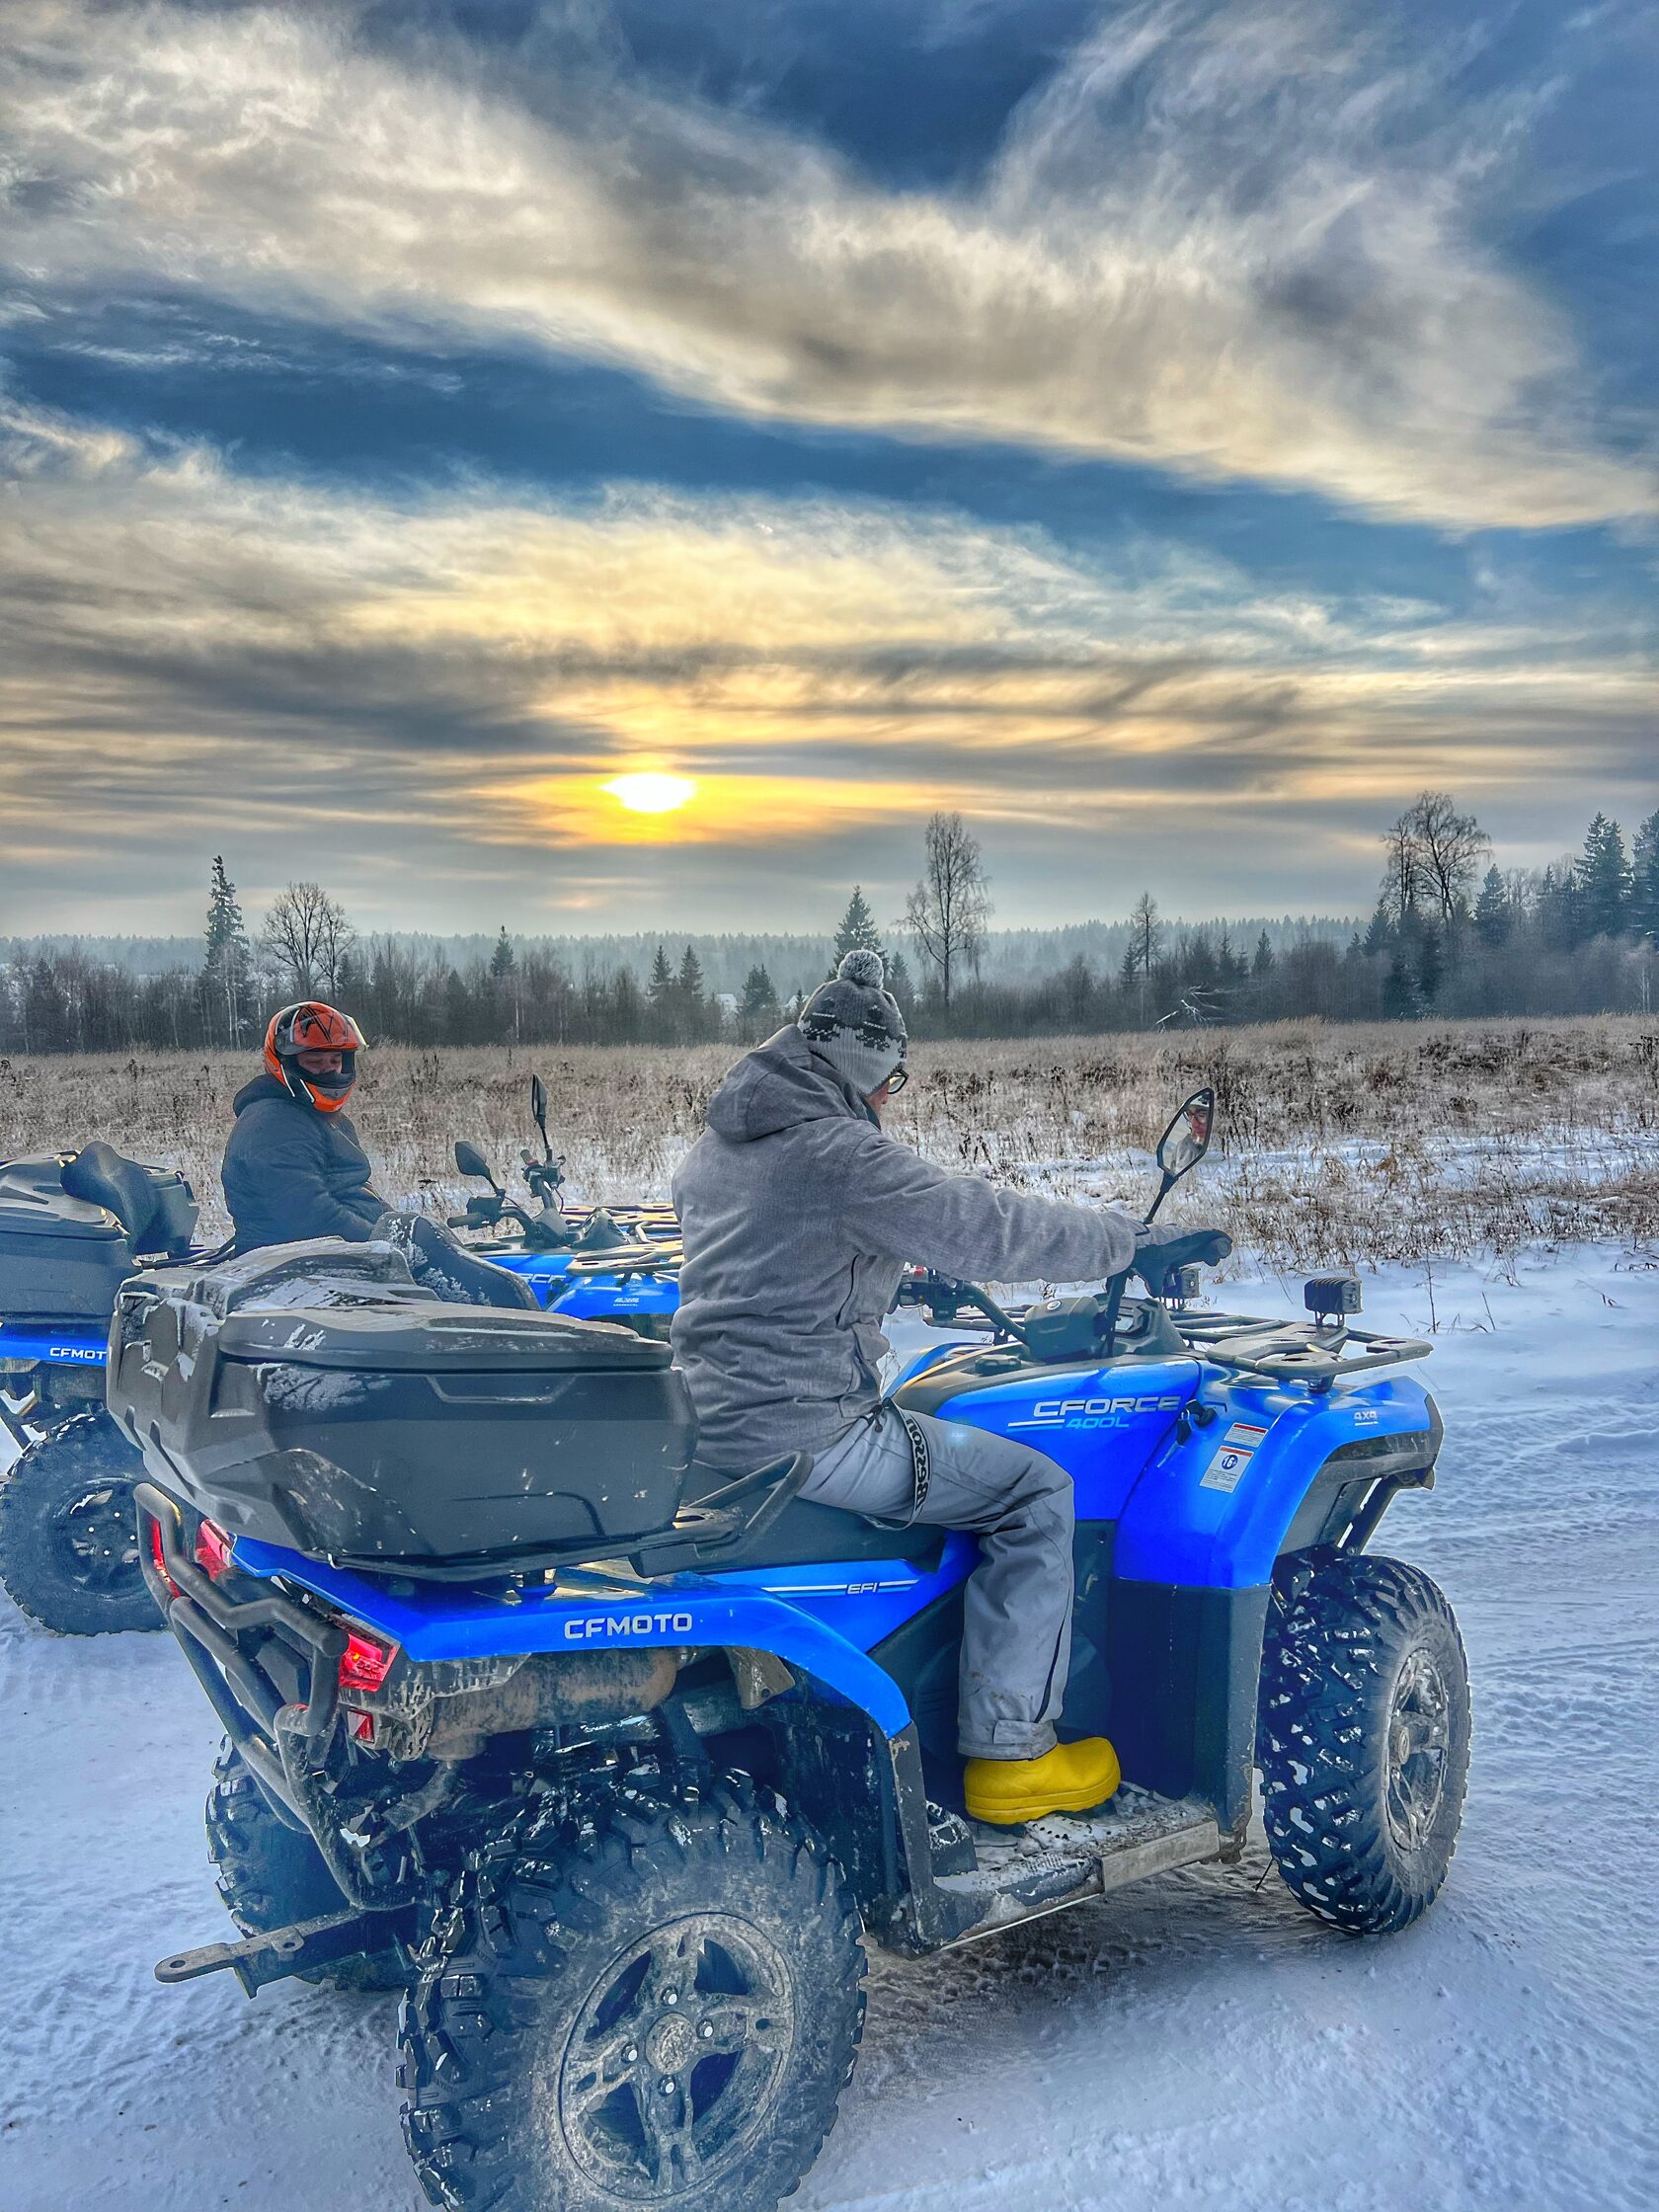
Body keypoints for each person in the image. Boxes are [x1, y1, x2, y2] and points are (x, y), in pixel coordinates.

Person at [672, 950, 1228, 1828]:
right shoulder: (839, 1153)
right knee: (1036, 1492)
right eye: (892, 1077)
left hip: (704, 1419)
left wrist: (890, 1268)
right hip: (809, 1427)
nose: (891, 1097)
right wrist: (1126, 1245)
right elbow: (985, 1222)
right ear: (861, 1064)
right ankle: (1015, 1758)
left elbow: (775, 1260)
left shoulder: (723, 1146)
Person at [221, 1001, 383, 1251]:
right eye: (314, 1061)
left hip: (336, 1254)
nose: (328, 1070)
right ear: (286, 1063)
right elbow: (309, 1216)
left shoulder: (314, 1116)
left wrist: (401, 1230)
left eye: (335, 1060)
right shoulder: (274, 1124)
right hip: (295, 1261)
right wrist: (382, 1243)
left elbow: (352, 1189)